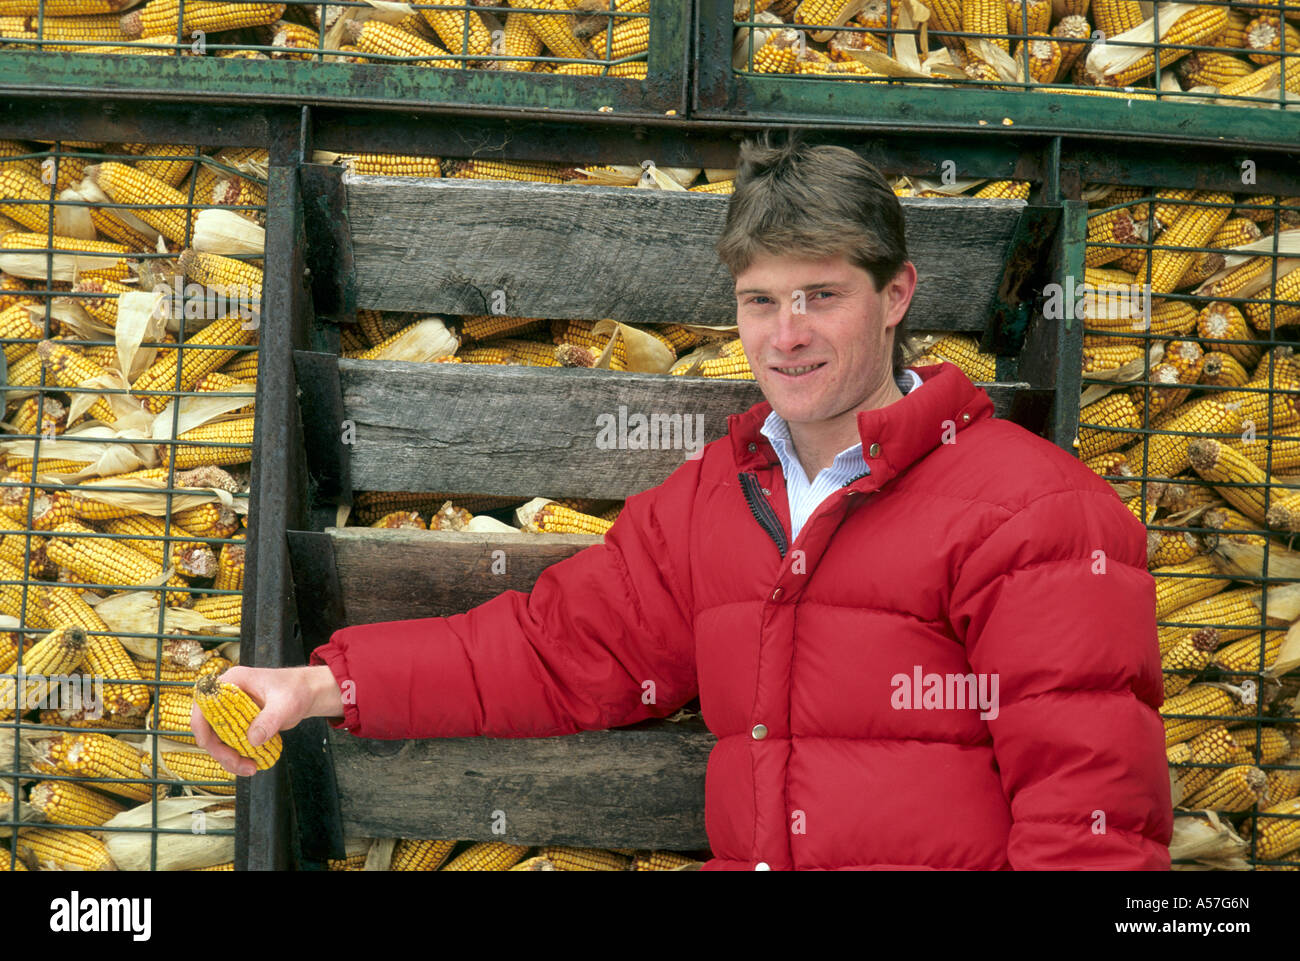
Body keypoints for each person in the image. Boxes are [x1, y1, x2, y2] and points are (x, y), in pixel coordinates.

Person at [194, 134, 1172, 870]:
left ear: (896, 294)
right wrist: (320, 687)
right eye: (759, 300)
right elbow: (557, 651)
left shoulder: (1034, 511)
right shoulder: (720, 496)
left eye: (820, 295)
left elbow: (1091, 812)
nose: (785, 335)